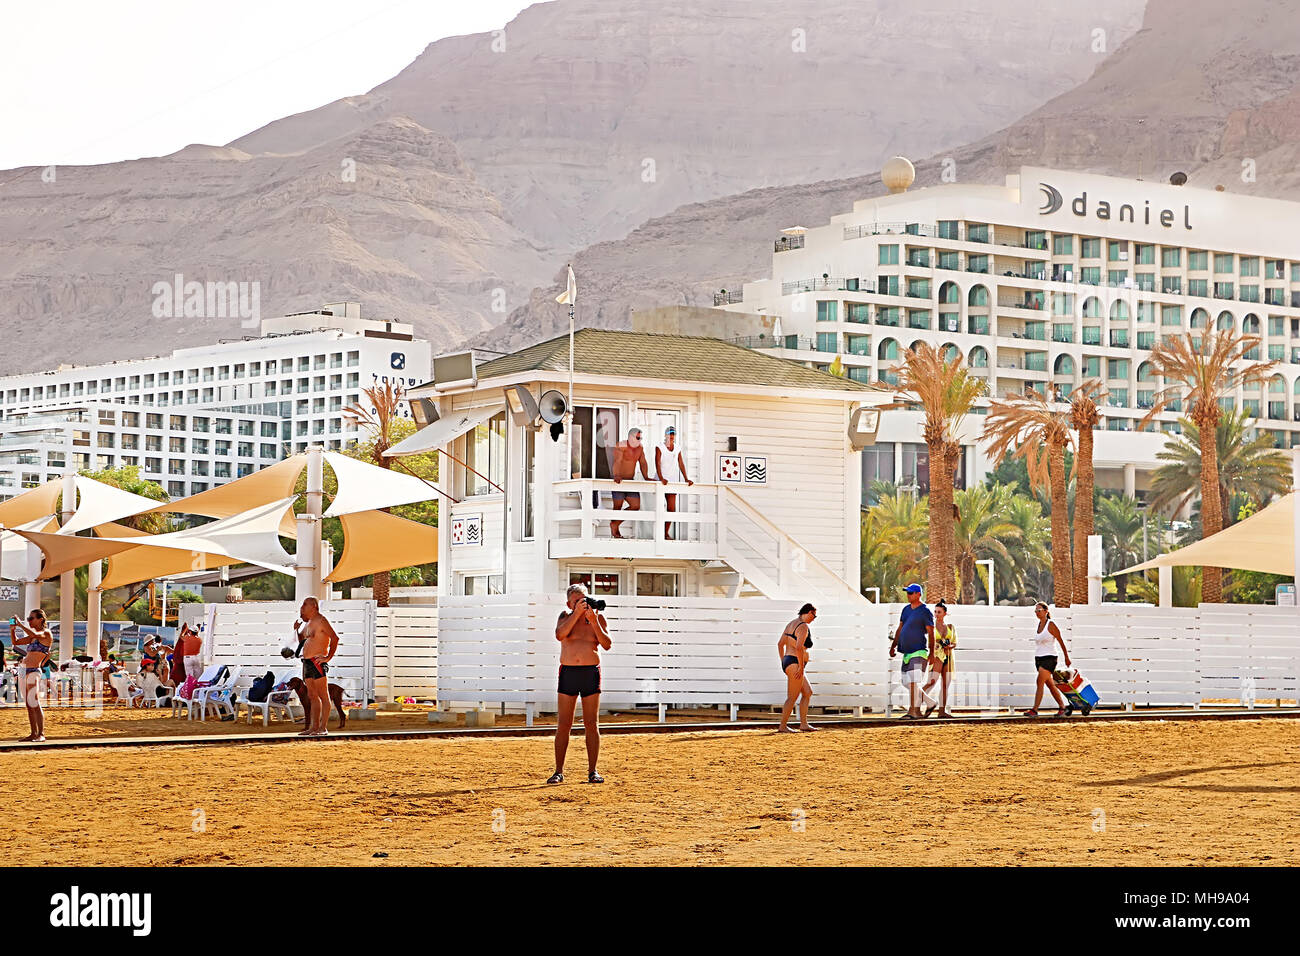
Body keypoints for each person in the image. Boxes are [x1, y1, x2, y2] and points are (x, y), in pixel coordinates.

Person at [549, 583, 612, 784]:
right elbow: (560, 635)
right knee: (564, 724)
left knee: (591, 724)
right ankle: (558, 771)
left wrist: (593, 621)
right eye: (577, 601)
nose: (581, 603)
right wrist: (576, 614)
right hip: (568, 672)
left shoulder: (597, 618)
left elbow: (607, 644)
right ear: (569, 603)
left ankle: (593, 771)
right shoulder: (565, 617)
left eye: (583, 599)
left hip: (590, 672)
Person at [296, 597, 340, 737]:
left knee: (323, 695)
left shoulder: (321, 621)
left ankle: (323, 727)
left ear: (313, 606)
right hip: (307, 662)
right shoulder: (309, 623)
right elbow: (303, 641)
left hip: (317, 662)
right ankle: (314, 728)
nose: (302, 607)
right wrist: (297, 631)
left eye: (304, 605)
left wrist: (328, 657)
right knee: (312, 695)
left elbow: (335, 638)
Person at [889, 583, 934, 719]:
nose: (908, 595)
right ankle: (929, 702)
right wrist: (893, 646)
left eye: (910, 593)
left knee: (913, 682)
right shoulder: (906, 610)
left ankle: (913, 711)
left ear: (918, 594)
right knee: (906, 682)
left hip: (919, 651)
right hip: (907, 652)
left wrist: (932, 653)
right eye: (907, 593)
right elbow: (899, 629)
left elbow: (931, 633)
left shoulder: (925, 611)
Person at [11, 609, 53, 741]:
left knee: (34, 701)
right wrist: (13, 630)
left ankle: (41, 734)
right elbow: (16, 642)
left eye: (31, 618)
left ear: (40, 619)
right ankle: (33, 733)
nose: (29, 621)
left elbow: (35, 633)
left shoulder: (46, 633)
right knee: (29, 704)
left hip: (34, 670)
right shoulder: (33, 637)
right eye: (28, 618)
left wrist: (20, 624)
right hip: (23, 670)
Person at [1025, 602, 1071, 718]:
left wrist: (1066, 657)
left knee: (1039, 682)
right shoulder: (1039, 625)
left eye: (1039, 610)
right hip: (1039, 659)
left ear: (1046, 611)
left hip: (1049, 658)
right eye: (1035, 611)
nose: (1037, 613)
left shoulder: (1051, 625)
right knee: (1050, 685)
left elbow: (1060, 641)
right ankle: (1063, 707)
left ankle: (1034, 710)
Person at [777, 603, 817, 733]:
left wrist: (783, 661)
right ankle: (783, 726)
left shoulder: (791, 624)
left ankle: (804, 724)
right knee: (792, 697)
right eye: (813, 615)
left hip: (789, 661)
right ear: (808, 612)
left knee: (807, 692)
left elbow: (780, 644)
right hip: (795, 663)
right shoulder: (803, 626)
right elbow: (799, 647)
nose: (814, 618)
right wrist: (801, 667)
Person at [609, 427, 651, 539]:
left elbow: (643, 463)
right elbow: (617, 461)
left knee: (635, 505)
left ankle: (615, 524)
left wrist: (646, 477)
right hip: (618, 481)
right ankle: (615, 532)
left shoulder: (640, 448)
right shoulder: (621, 445)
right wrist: (616, 475)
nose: (639, 440)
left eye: (641, 438)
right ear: (630, 437)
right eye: (638, 438)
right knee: (617, 507)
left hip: (630, 481)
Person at [654, 426, 693, 540]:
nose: (671, 436)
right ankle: (659, 534)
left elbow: (681, 463)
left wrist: (686, 478)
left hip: (673, 481)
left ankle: (665, 533)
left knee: (671, 509)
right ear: (665, 435)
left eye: (673, 434)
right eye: (669, 434)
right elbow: (657, 463)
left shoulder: (677, 448)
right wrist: (661, 478)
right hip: (661, 482)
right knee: (660, 509)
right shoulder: (659, 447)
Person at [921, 600, 957, 718]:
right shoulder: (931, 626)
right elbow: (928, 642)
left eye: (939, 612)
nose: (936, 614)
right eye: (935, 612)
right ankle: (917, 705)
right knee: (931, 682)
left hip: (948, 656)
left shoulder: (951, 627)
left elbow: (955, 643)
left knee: (945, 685)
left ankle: (941, 711)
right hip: (936, 656)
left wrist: (949, 646)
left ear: (945, 613)